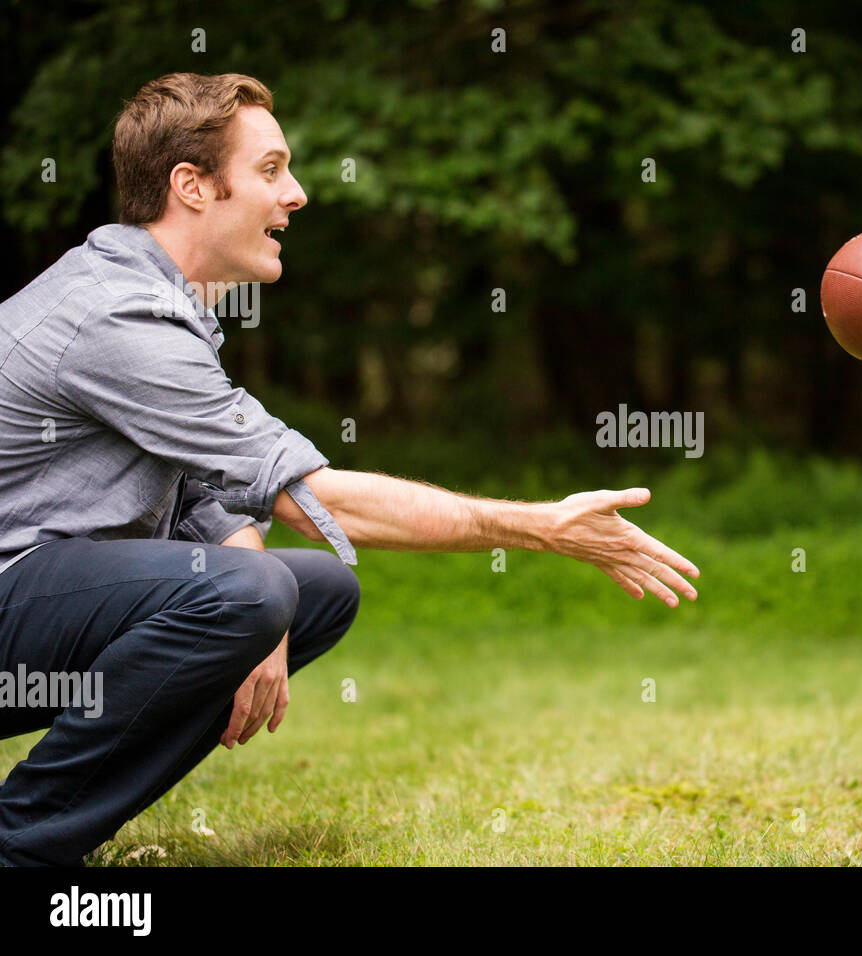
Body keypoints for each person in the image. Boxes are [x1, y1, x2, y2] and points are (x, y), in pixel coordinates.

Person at [0, 73, 699, 867]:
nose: (295, 194)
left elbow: (200, 483)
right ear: (191, 186)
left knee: (312, 593)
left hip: (31, 596)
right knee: (255, 592)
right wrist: (538, 525)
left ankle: (44, 827)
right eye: (270, 171)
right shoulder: (118, 315)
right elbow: (311, 498)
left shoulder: (157, 300)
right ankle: (19, 845)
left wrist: (251, 625)